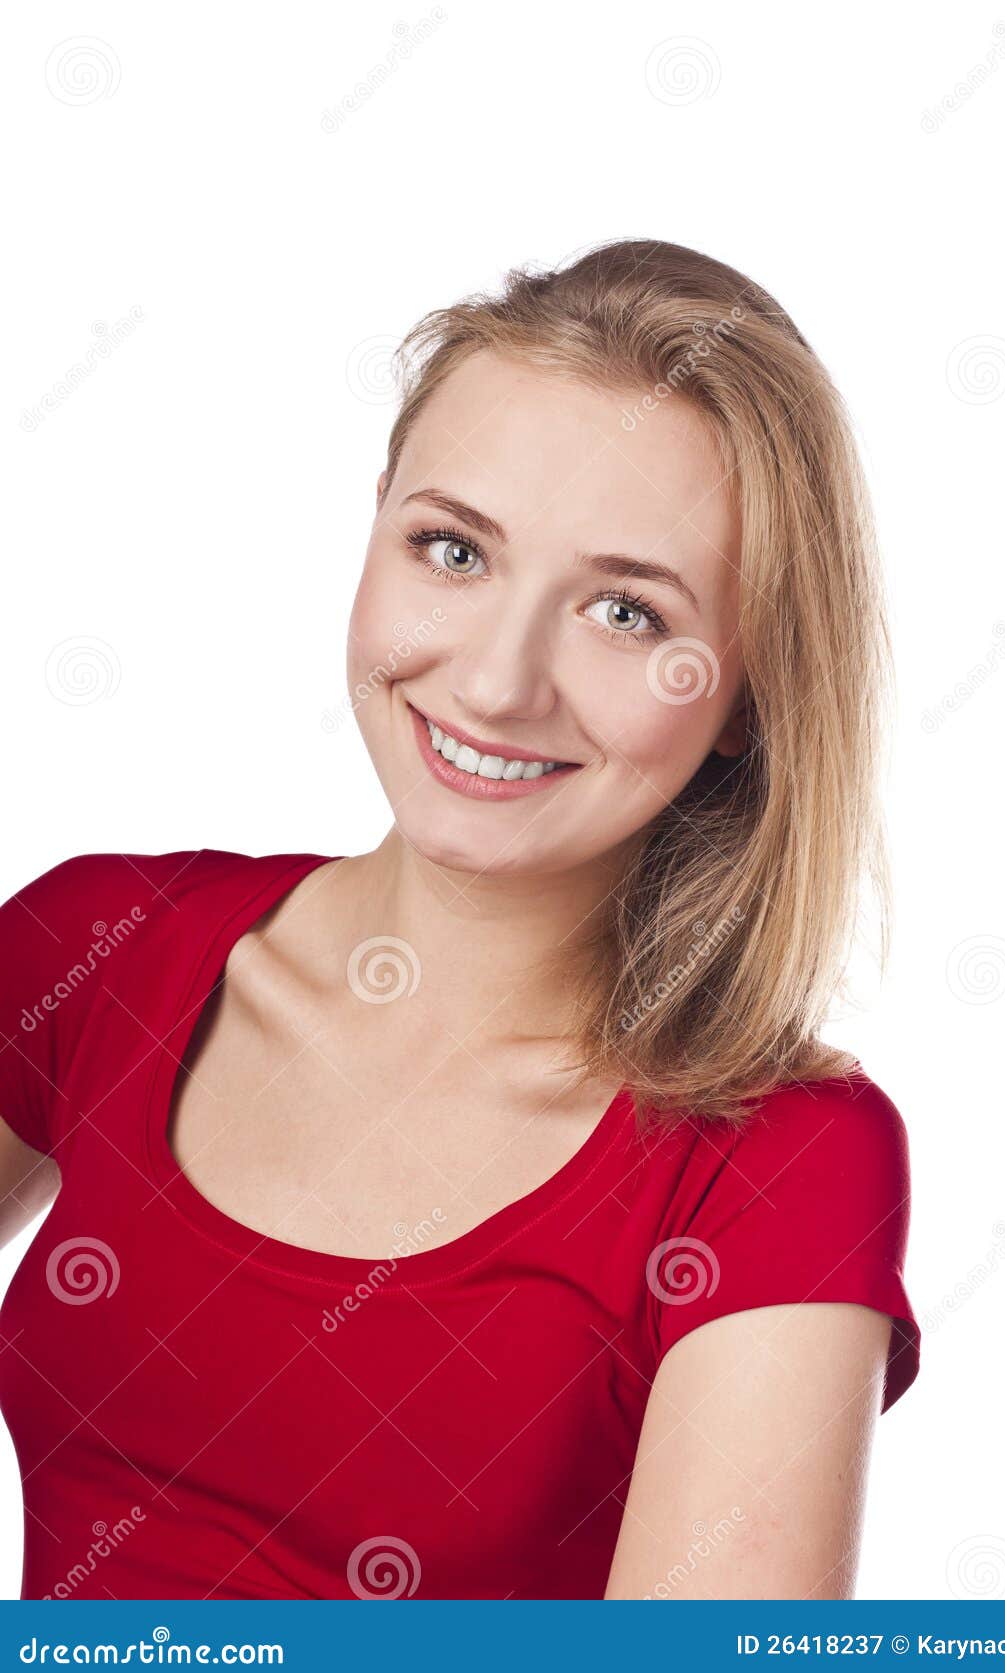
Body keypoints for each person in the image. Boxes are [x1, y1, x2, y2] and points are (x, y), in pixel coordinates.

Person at [0, 238, 919, 1602]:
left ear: (749, 687)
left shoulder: (777, 1166)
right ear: (375, 524)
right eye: (454, 548)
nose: (494, 680)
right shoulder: (101, 945)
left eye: (624, 610)